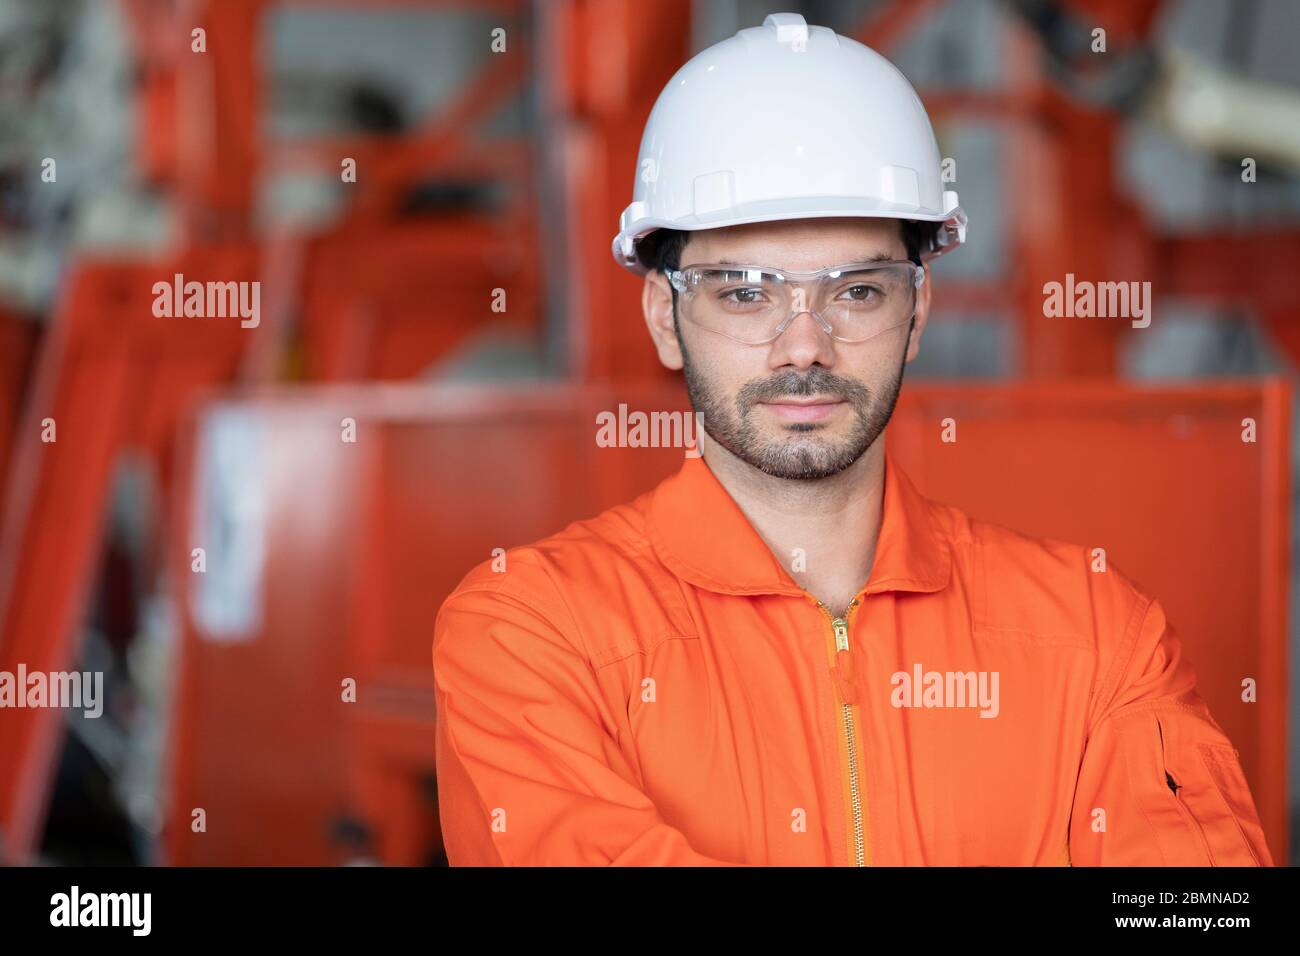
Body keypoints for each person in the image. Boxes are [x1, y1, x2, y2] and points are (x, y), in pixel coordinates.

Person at [431, 13, 1271, 866]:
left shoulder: (1096, 632)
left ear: (917, 314)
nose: (805, 345)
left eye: (858, 291)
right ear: (664, 318)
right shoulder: (529, 631)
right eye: (746, 293)